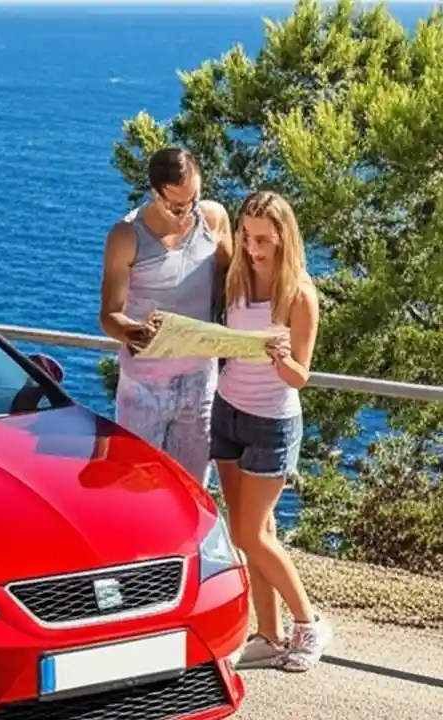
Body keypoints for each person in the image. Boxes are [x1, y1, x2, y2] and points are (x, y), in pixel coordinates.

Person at [213, 190, 333, 672]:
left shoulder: (299, 293)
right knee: (253, 533)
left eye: (262, 239)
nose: (252, 248)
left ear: (284, 237)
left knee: (249, 532)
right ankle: (268, 634)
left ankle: (309, 623)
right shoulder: (238, 276)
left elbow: (301, 376)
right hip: (227, 411)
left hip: (272, 423)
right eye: (246, 236)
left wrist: (280, 359)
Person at [99, 147, 233, 485]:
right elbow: (110, 316)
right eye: (176, 206)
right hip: (144, 385)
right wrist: (141, 332)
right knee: (133, 484)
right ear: (155, 193)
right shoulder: (127, 236)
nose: (187, 212)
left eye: (194, 199)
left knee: (192, 487)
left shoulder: (213, 219)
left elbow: (230, 279)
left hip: (199, 381)